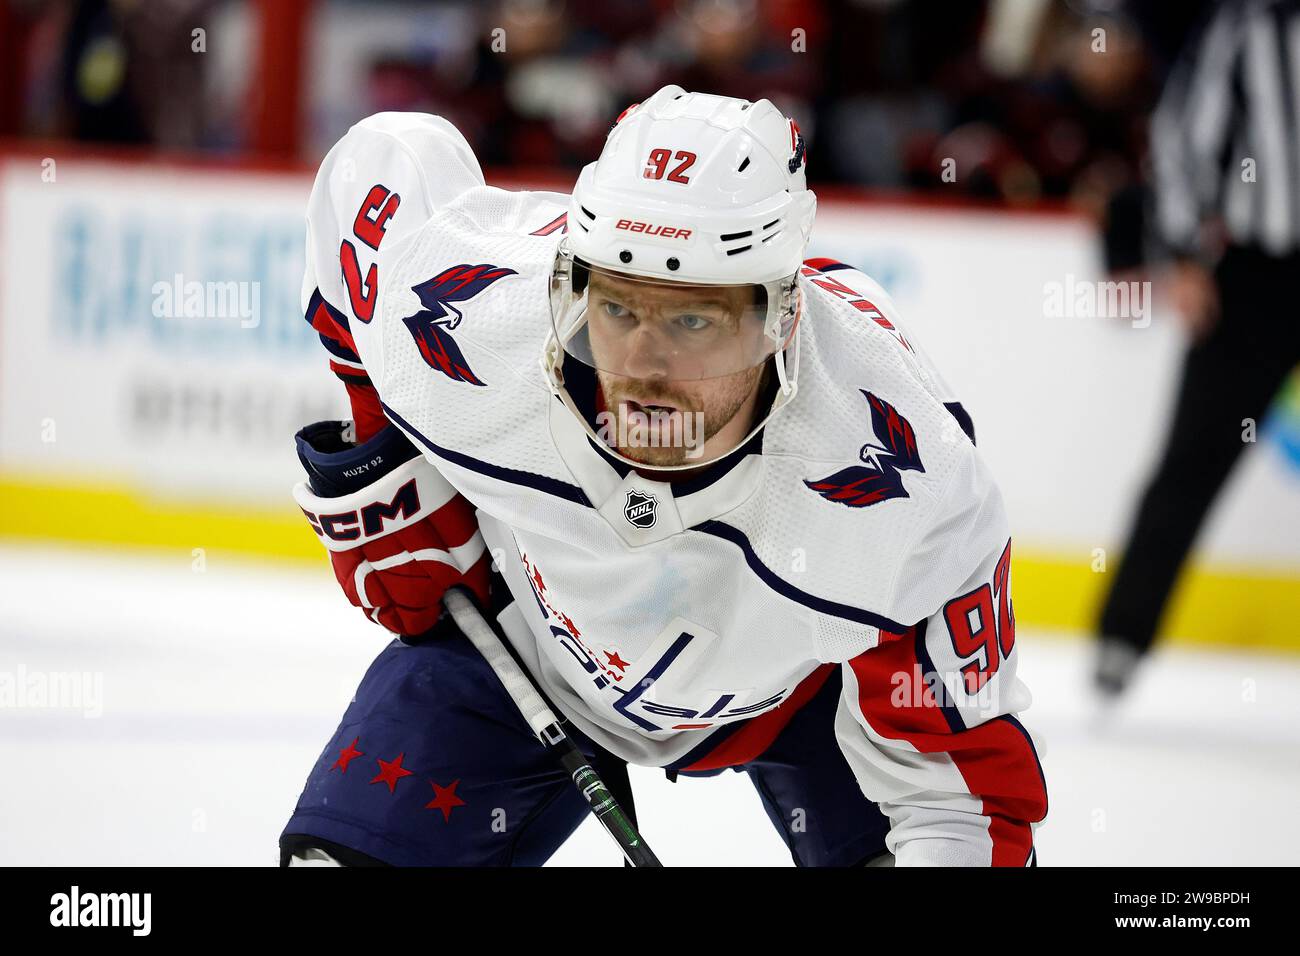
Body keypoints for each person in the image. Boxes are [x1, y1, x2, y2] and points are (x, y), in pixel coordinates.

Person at [280, 86, 1047, 867]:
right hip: (525, 646)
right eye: (618, 311)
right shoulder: (475, 319)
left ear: (781, 319)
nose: (643, 372)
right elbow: (379, 162)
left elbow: (964, 805)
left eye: (692, 321)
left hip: (804, 694)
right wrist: (385, 457)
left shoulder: (901, 488)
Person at [1094, 0, 1300, 697]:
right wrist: (1182, 253)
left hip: (1257, 272)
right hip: (1256, 279)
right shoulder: (1247, 26)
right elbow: (1182, 136)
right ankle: (1123, 633)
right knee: (1193, 457)